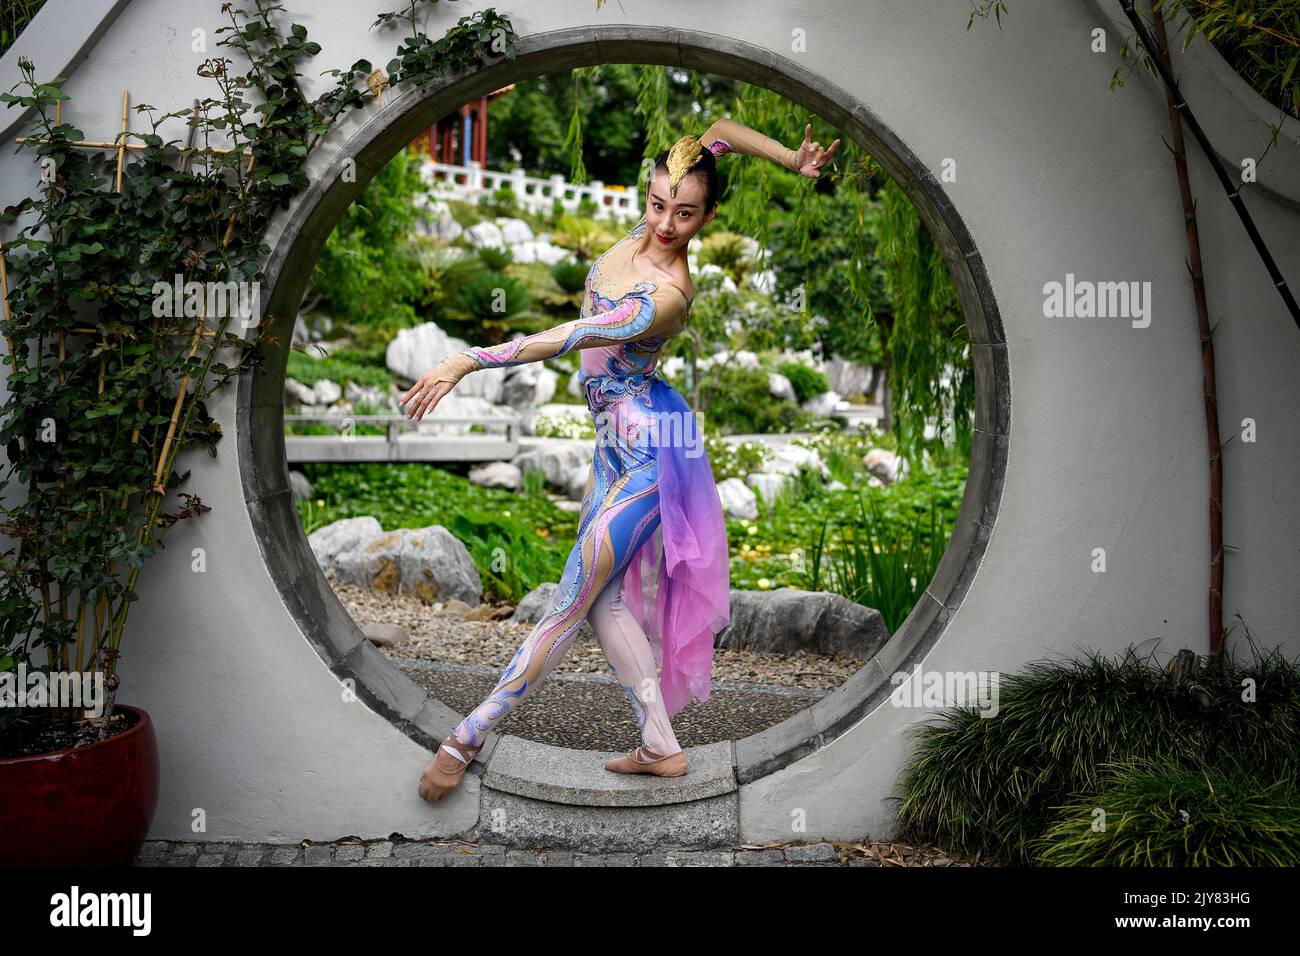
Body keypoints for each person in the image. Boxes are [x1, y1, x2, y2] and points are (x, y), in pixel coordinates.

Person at [404, 117, 841, 801]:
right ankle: (660, 746)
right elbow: (720, 130)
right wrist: (791, 158)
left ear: (709, 215)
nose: (666, 222)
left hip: (647, 458)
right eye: (658, 202)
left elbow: (576, 333)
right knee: (604, 602)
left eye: (686, 212)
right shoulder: (655, 216)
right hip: (615, 449)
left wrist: (468, 359)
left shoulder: (665, 296)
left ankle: (466, 736)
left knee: (570, 601)